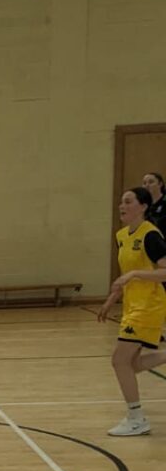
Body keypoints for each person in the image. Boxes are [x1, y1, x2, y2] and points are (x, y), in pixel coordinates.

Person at [98, 186, 166, 436]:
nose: (122, 206)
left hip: (149, 306)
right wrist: (111, 299)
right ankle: (136, 417)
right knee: (133, 363)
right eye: (121, 202)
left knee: (119, 361)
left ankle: (136, 417)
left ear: (143, 207)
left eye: (128, 201)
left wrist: (136, 274)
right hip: (131, 306)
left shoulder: (151, 236)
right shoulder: (122, 236)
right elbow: (124, 275)